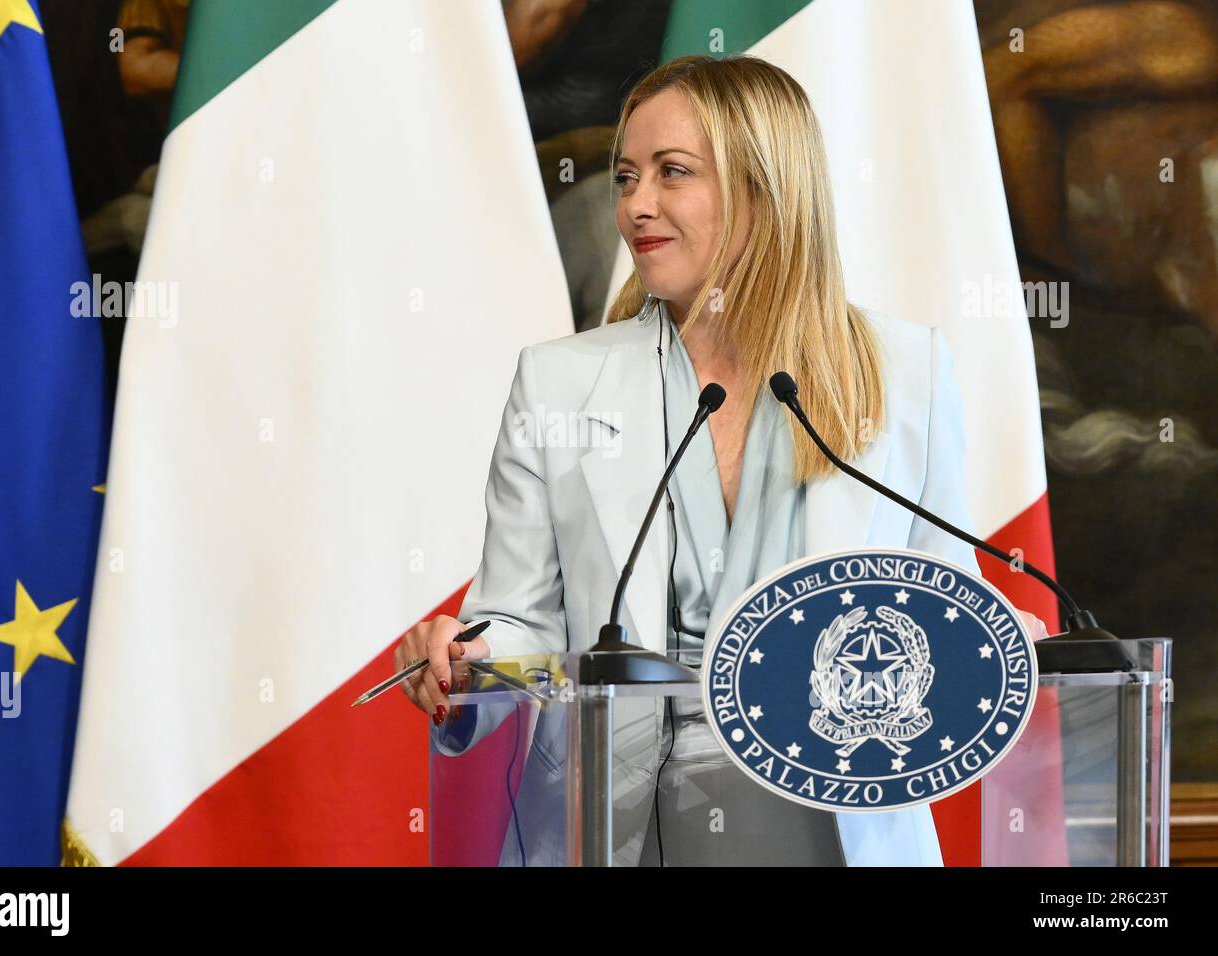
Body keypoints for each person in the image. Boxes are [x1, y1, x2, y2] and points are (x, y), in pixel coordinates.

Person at [398, 54, 1048, 865]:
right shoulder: (557, 381)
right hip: (614, 825)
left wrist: (991, 638)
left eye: (673, 173)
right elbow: (521, 622)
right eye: (626, 177)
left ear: (765, 188)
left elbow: (939, 598)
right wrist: (467, 663)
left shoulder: (906, 371)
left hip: (831, 825)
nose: (637, 205)